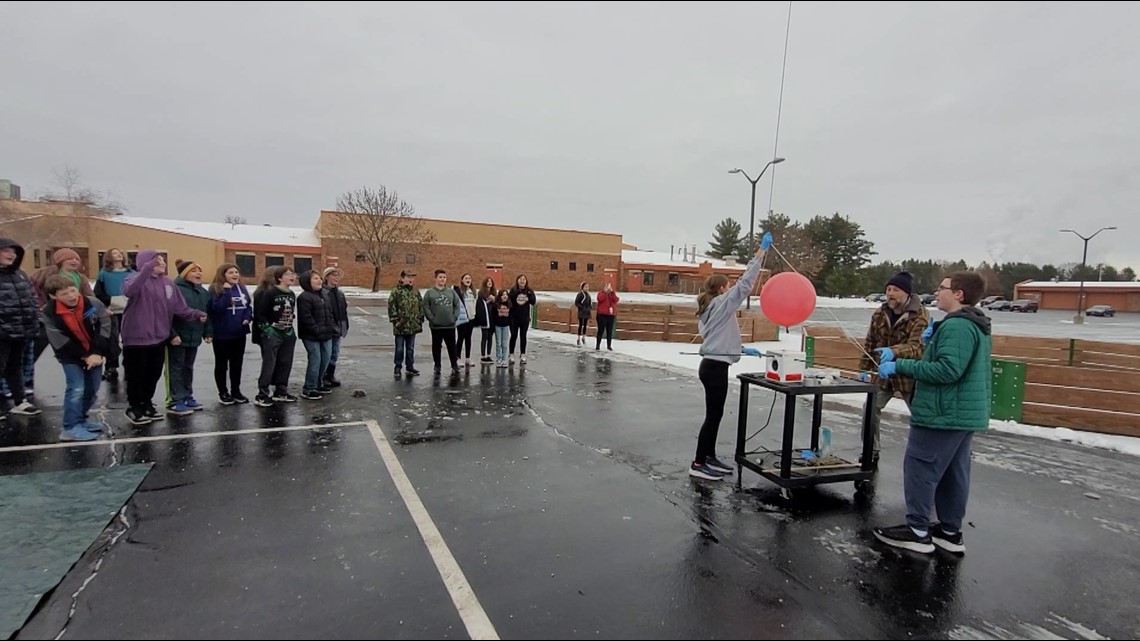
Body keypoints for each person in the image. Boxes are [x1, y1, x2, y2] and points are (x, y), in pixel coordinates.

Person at [873, 271, 992, 555]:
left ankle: (916, 530)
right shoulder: (966, 325)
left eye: (942, 288)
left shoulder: (958, 327)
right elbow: (950, 361)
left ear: (959, 294)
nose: (936, 293)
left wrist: (899, 365)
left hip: (943, 412)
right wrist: (929, 344)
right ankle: (949, 531)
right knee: (953, 473)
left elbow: (947, 370)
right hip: (959, 413)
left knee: (920, 468)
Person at [689, 231, 771, 481]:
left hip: (713, 364)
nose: (730, 290)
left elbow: (717, 339)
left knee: (716, 413)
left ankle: (709, 456)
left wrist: (740, 349)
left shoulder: (711, 307)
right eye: (728, 287)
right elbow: (746, 284)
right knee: (713, 415)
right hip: (714, 368)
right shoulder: (722, 303)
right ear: (722, 289)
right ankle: (698, 462)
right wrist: (760, 252)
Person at [120, 250, 206, 425]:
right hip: (136, 338)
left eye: (162, 260)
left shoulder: (167, 283)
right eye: (156, 260)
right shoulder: (134, 278)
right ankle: (134, 407)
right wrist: (145, 270)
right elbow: (129, 291)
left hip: (159, 337)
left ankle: (146, 403)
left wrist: (195, 314)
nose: (162, 263)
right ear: (145, 262)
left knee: (153, 374)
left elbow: (179, 307)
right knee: (137, 374)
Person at [858, 270, 929, 467]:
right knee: (870, 409)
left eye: (896, 290)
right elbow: (870, 342)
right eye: (888, 289)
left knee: (922, 415)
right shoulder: (879, 314)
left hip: (909, 375)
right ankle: (870, 450)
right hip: (884, 374)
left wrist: (893, 352)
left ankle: (927, 453)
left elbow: (917, 347)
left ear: (906, 293)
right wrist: (864, 367)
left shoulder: (920, 315)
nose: (890, 293)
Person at [40, 275, 113, 441]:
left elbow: (104, 326)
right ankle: (70, 427)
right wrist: (85, 356)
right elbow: (58, 340)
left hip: (95, 352)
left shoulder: (93, 304)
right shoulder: (48, 313)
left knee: (92, 389)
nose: (72, 296)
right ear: (54, 296)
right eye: (64, 294)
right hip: (70, 355)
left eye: (73, 291)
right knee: (76, 388)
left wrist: (97, 352)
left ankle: (81, 419)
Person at [0, 237, 42, 419]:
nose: (11, 254)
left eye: (14, 251)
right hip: (2, 332)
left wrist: (33, 323)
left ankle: (20, 401)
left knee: (15, 366)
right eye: (6, 250)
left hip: (20, 331)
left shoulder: (20, 274)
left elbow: (32, 299)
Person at [165, 260, 212, 414]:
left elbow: (206, 313)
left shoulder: (202, 292)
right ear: (184, 274)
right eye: (194, 271)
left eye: (199, 271)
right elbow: (167, 314)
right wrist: (172, 334)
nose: (198, 274)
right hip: (178, 336)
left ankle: (187, 395)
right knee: (176, 367)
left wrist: (207, 332)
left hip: (194, 336)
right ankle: (176, 399)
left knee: (188, 367)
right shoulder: (174, 289)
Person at [206, 263, 253, 404]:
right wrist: (226, 293)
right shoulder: (215, 289)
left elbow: (248, 306)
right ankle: (223, 392)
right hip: (222, 334)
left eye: (236, 272)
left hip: (239, 333)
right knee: (221, 364)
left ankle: (236, 391)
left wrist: (247, 317)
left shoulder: (242, 288)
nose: (235, 275)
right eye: (231, 272)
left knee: (237, 364)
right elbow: (217, 309)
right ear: (223, 275)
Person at [252, 266, 298, 406]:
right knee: (269, 363)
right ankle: (262, 393)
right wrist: (267, 330)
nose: (292, 276)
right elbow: (260, 313)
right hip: (273, 333)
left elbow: (290, 311)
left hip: (287, 332)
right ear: (279, 277)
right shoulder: (270, 293)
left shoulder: (291, 294)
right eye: (287, 274)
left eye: (292, 274)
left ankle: (281, 390)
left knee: (285, 362)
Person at [297, 270, 338, 400]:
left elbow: (330, 314)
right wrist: (316, 330)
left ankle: (319, 383)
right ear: (307, 282)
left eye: (320, 278)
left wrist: (330, 327)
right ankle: (309, 387)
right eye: (315, 279)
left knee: (325, 359)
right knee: (315, 360)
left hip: (326, 334)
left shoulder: (324, 295)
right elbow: (306, 318)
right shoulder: (304, 297)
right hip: (311, 335)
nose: (319, 280)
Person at [94, 248, 131, 381]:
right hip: (112, 309)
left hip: (129, 309)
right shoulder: (104, 274)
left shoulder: (131, 273)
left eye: (120, 252)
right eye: (115, 253)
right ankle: (111, 366)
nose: (119, 254)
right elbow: (98, 292)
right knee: (112, 339)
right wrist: (110, 301)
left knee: (130, 339)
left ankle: (129, 364)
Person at [423, 269, 462, 376]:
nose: (442, 279)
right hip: (436, 326)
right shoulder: (430, 293)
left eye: (444, 277)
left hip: (449, 325)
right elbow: (426, 306)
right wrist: (432, 318)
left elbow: (457, 305)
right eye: (440, 277)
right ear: (435, 278)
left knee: (452, 346)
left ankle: (454, 365)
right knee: (436, 346)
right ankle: (437, 365)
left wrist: (454, 317)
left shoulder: (451, 292)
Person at [389, 270, 424, 379]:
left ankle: (410, 367)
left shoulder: (415, 291)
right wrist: (396, 321)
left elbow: (420, 306)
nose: (411, 279)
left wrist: (420, 318)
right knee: (399, 348)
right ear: (402, 278)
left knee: (410, 348)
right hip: (400, 326)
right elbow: (391, 307)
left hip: (413, 325)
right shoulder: (396, 291)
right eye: (408, 277)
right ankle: (397, 367)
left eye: (412, 277)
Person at [321, 267, 349, 387]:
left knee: (334, 352)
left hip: (338, 327)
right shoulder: (322, 292)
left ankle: (330, 375)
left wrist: (345, 325)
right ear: (327, 277)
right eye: (333, 275)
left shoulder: (340, 294)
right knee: (326, 353)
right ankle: (323, 376)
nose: (336, 277)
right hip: (327, 328)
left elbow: (344, 310)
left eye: (337, 275)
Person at [508, 275, 536, 364]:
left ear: (526, 281)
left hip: (524, 318)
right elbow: (509, 301)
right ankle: (511, 354)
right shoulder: (513, 290)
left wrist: (529, 295)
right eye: (520, 279)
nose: (522, 281)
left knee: (523, 336)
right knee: (514, 335)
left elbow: (533, 302)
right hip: (514, 318)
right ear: (517, 280)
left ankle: (523, 354)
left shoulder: (529, 290)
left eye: (524, 279)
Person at [453, 273, 479, 367]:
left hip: (471, 317)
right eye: (466, 278)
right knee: (460, 337)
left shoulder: (473, 291)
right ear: (462, 280)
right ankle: (457, 357)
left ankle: (468, 358)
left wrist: (475, 315)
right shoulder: (459, 291)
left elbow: (475, 304)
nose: (468, 280)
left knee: (468, 338)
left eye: (469, 278)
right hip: (462, 318)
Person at [595, 282, 619, 351]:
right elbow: (600, 299)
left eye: (609, 287)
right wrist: (605, 292)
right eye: (607, 286)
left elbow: (616, 300)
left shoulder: (612, 294)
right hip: (602, 315)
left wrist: (612, 292)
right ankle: (598, 345)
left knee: (609, 331)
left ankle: (609, 345)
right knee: (601, 330)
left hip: (610, 315)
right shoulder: (601, 293)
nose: (608, 288)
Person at [573, 282, 592, 347]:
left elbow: (590, 303)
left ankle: (583, 337)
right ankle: (578, 338)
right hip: (581, 312)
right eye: (585, 287)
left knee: (585, 325)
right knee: (581, 324)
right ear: (582, 287)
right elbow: (576, 302)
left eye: (587, 287)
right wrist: (582, 308)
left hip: (586, 312)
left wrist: (589, 308)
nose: (587, 288)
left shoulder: (588, 295)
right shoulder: (580, 294)